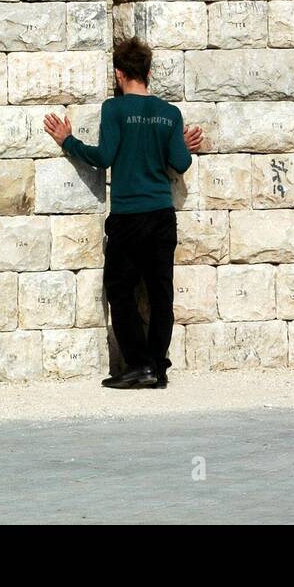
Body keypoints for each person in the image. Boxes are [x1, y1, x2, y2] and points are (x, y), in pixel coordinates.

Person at [43, 37, 203, 390]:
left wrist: (67, 141)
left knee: (121, 289)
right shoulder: (170, 114)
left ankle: (139, 366)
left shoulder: (114, 110)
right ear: (148, 72)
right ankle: (158, 367)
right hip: (162, 214)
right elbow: (180, 162)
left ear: (119, 74)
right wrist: (183, 146)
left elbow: (104, 158)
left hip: (129, 216)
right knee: (161, 293)